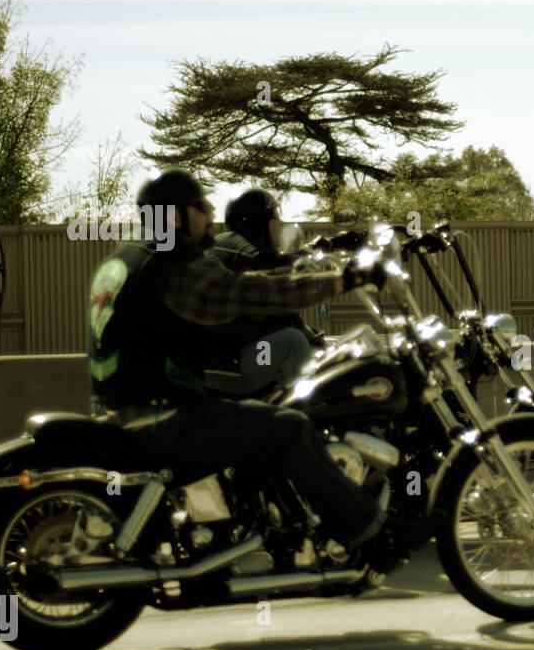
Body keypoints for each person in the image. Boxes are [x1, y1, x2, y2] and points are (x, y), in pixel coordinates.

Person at [86, 169, 390, 571]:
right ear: (175, 216)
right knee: (293, 428)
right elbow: (247, 293)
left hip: (123, 406)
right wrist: (347, 278)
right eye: (200, 206)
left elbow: (252, 279)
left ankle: (265, 528)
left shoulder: (130, 257)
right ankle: (370, 537)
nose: (210, 213)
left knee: (256, 427)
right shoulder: (175, 265)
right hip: (164, 413)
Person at [198, 188, 320, 395]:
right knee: (292, 341)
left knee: (300, 338)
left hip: (227, 357)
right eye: (275, 217)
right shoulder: (232, 243)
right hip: (224, 366)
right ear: (260, 221)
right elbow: (266, 262)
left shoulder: (236, 246)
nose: (280, 223)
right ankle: (309, 417)